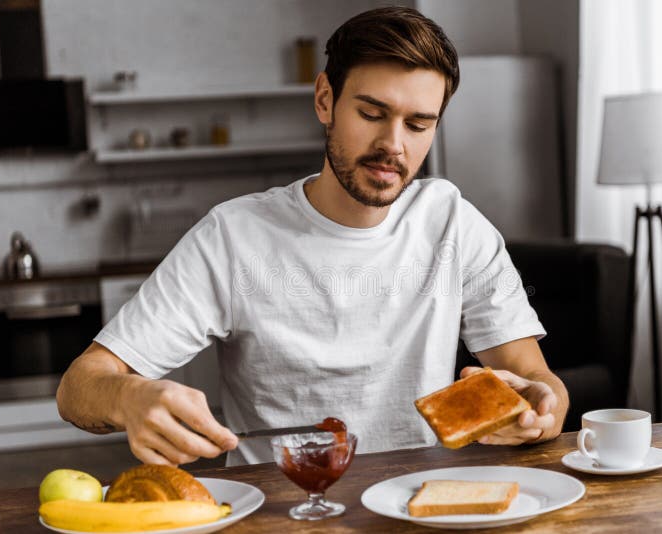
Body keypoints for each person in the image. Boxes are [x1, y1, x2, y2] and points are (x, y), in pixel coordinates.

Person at [57, 6, 569, 467]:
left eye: (418, 124)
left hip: (418, 501)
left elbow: (537, 379)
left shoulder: (455, 223)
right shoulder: (233, 237)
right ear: (325, 99)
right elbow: (78, 386)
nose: (393, 145)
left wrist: (542, 412)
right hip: (282, 507)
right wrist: (128, 399)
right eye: (371, 113)